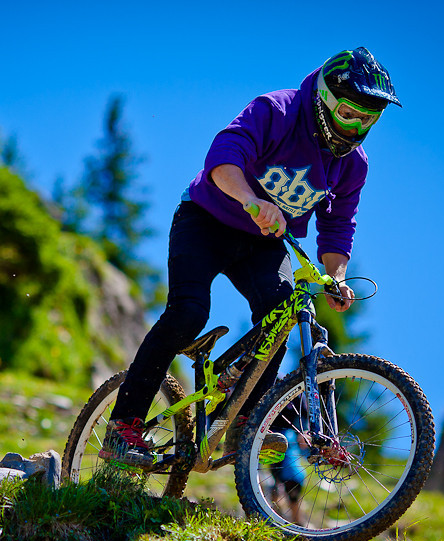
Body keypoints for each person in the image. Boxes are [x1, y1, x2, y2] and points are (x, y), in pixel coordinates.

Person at [100, 47, 401, 466]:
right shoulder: (277, 110)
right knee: (188, 311)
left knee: (281, 312)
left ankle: (242, 424)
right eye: (351, 114)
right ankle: (122, 426)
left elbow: (338, 226)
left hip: (264, 243)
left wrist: (338, 277)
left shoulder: (353, 165)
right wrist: (250, 201)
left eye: (370, 119)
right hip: (206, 220)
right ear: (327, 99)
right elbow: (221, 159)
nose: (357, 128)